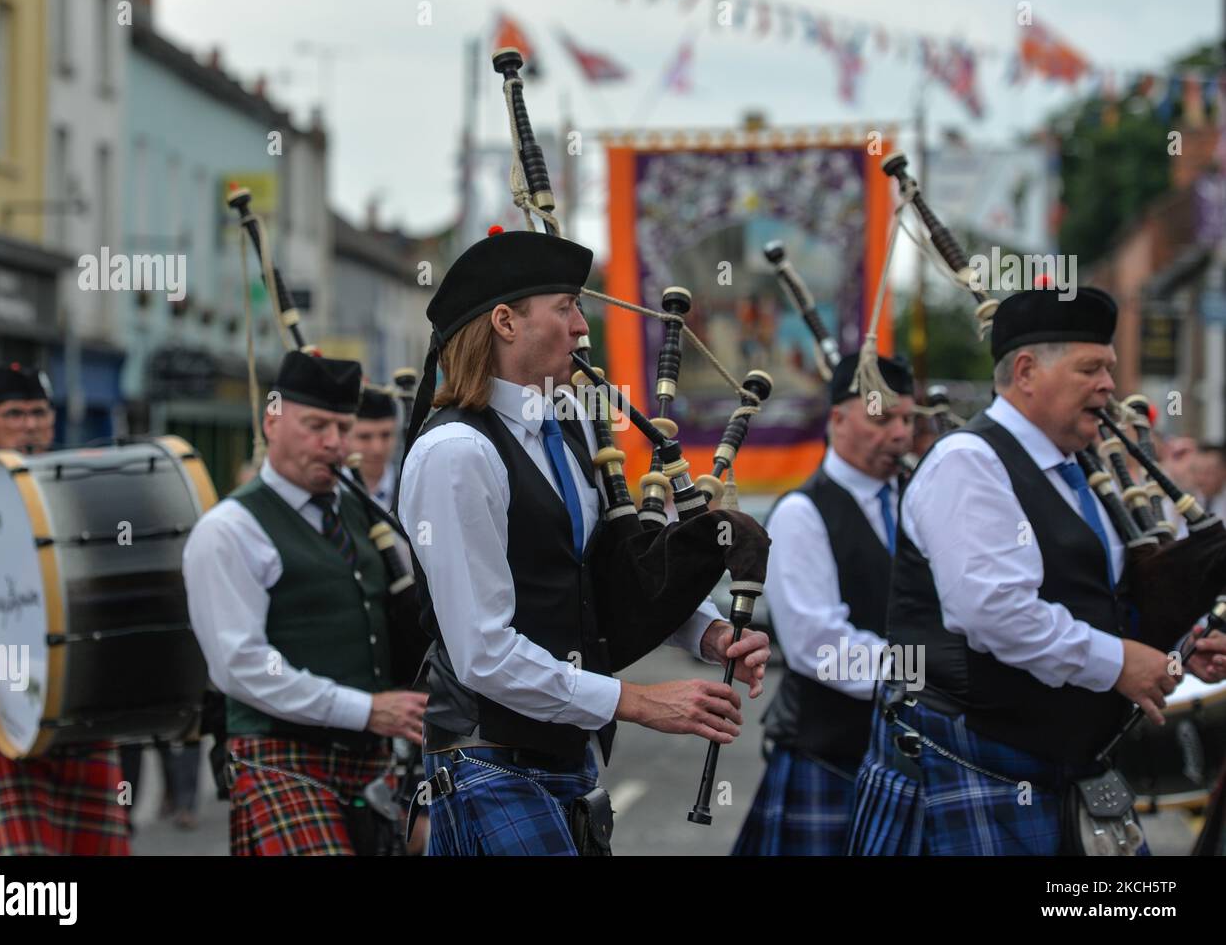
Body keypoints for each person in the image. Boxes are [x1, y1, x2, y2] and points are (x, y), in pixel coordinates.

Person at [398, 228, 770, 856]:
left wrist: (702, 632)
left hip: (564, 756)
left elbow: (596, 577)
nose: (581, 328)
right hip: (487, 760)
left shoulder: (564, 432)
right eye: (566, 306)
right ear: (505, 322)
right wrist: (639, 701)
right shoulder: (456, 454)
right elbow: (483, 653)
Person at [847, 287, 1226, 856]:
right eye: (1091, 368)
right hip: (974, 757)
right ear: (1026, 371)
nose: (1109, 386)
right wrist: (1121, 661)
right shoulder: (969, 463)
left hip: (1060, 765)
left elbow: (1090, 599)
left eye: (1110, 369)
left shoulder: (1076, 471)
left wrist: (1174, 645)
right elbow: (993, 613)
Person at [183, 350, 427, 855]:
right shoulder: (230, 530)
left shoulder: (365, 516)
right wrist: (365, 710)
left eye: (343, 426)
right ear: (272, 420)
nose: (334, 444)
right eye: (316, 425)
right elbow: (241, 665)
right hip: (278, 757)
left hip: (370, 761)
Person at [0, 363, 131, 855]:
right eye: (13, 414)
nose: (29, 426)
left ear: (53, 422)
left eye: (39, 412)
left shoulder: (89, 504)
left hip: (81, 712)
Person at [733, 353, 914, 856]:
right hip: (832, 760)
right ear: (837, 420)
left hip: (914, 762)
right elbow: (820, 648)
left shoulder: (916, 501)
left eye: (907, 420)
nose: (900, 433)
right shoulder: (802, 512)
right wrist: (929, 673)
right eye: (882, 418)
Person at [347, 387, 399, 510]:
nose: (377, 449)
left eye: (386, 435)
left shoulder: (409, 491)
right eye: (364, 437)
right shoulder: (331, 494)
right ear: (345, 437)